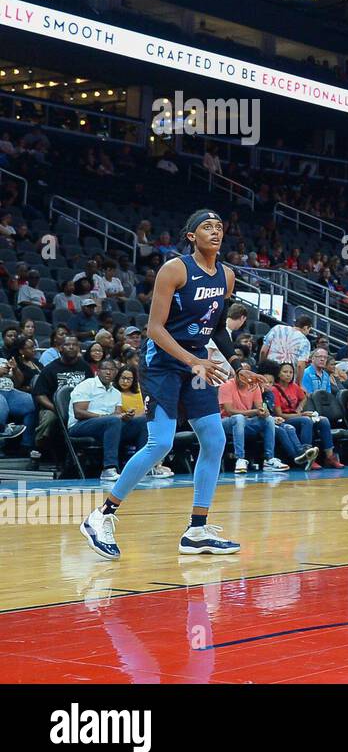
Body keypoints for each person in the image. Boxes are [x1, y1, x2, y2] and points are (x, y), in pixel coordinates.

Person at [80, 210, 242, 559]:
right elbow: (154, 328)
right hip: (163, 363)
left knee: (215, 439)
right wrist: (194, 360)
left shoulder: (227, 276)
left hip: (196, 363)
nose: (215, 232)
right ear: (190, 236)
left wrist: (239, 367)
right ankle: (101, 515)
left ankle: (197, 530)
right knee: (160, 443)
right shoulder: (175, 270)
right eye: (206, 227)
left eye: (219, 227)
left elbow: (215, 329)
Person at [219, 362, 286, 473]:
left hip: (246, 421)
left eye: (247, 374)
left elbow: (259, 408)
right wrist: (255, 411)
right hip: (226, 422)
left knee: (268, 420)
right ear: (235, 373)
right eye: (241, 374)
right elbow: (229, 411)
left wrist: (263, 412)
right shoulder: (226, 385)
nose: (244, 377)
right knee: (239, 418)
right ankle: (240, 458)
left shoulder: (254, 386)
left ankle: (269, 459)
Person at [270, 362, 338, 469]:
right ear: (278, 374)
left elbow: (304, 398)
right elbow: (279, 414)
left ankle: (330, 456)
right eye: (285, 372)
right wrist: (300, 414)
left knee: (324, 420)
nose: (288, 374)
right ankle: (308, 454)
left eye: (291, 372)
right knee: (306, 420)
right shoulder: (275, 389)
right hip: (284, 419)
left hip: (297, 415)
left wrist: (300, 408)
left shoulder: (295, 386)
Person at [113, 365, 169, 478]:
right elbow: (115, 414)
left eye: (129, 379)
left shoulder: (140, 391)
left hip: (143, 423)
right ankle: (146, 465)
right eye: (122, 378)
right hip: (124, 425)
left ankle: (156, 464)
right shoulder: (114, 392)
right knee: (146, 423)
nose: (125, 381)